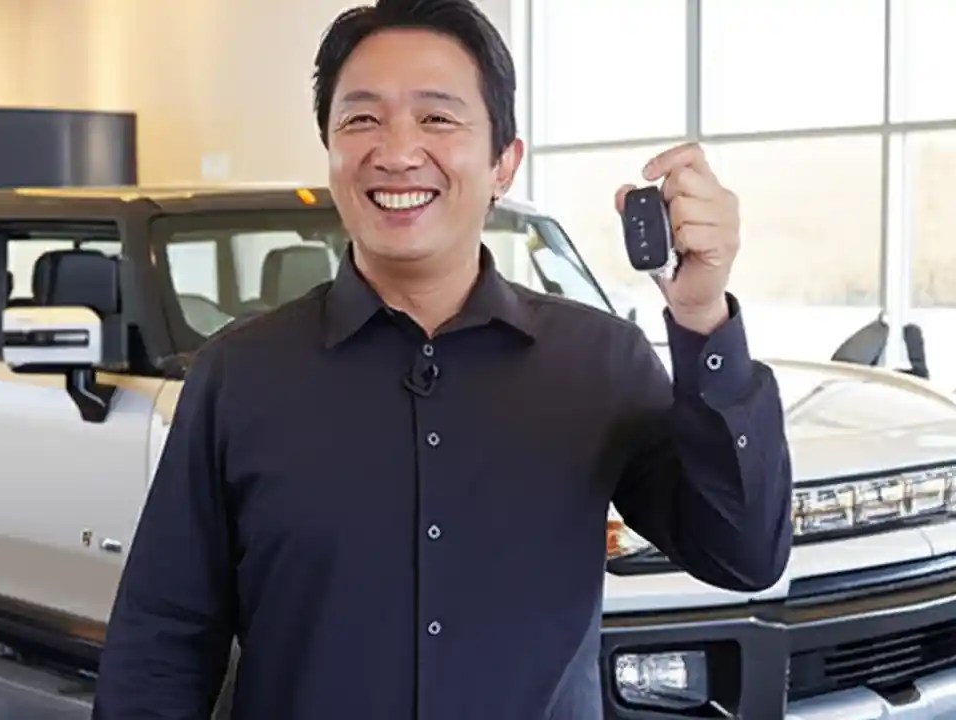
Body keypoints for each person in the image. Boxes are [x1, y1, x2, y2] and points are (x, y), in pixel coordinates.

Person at [92, 0, 792, 717]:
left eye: (437, 118)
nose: (396, 152)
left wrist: (703, 319)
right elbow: (163, 642)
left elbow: (742, 554)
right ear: (331, 154)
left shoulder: (599, 360)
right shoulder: (238, 375)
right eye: (361, 119)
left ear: (504, 163)